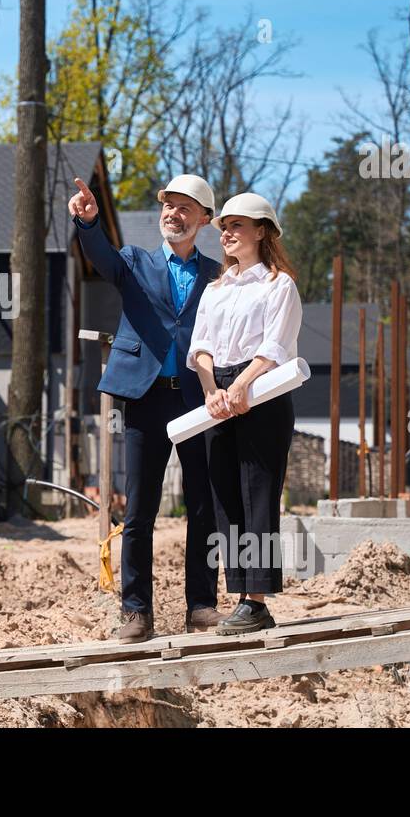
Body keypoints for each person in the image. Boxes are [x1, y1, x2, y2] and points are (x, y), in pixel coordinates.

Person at [68, 173, 225, 642]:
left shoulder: (217, 276)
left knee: (203, 510)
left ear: (204, 219)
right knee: (139, 512)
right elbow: (99, 259)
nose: (172, 214)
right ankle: (135, 611)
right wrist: (90, 223)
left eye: (183, 208)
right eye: (167, 206)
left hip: (196, 398)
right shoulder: (134, 262)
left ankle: (202, 606)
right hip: (145, 397)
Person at [186, 192, 302, 634]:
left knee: (258, 497)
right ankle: (241, 597)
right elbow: (200, 347)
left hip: (264, 391)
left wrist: (240, 385)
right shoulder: (215, 290)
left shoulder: (279, 284)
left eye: (237, 226)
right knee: (226, 500)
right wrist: (214, 390)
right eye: (225, 227)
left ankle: (257, 600)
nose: (228, 234)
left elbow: (275, 346)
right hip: (219, 393)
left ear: (262, 232)